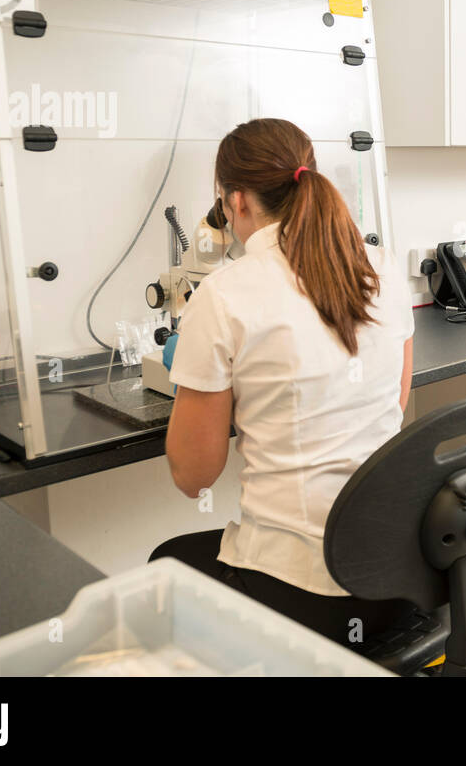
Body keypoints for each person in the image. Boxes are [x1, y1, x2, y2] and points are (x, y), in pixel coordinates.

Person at [149, 118, 416, 650]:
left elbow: (193, 477)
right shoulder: (383, 270)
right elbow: (396, 403)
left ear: (236, 201)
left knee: (164, 566)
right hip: (400, 575)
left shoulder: (224, 295)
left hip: (303, 588)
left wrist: (205, 383)